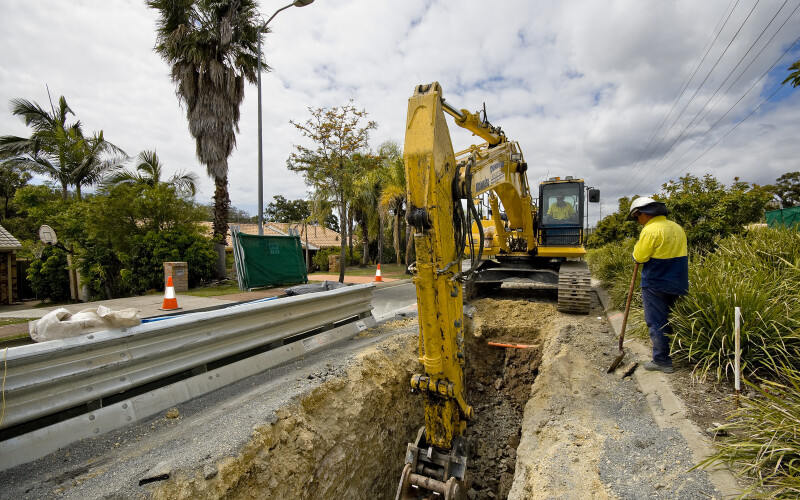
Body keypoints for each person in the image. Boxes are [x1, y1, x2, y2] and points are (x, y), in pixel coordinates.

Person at [628, 197, 688, 373]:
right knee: (671, 318)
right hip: (678, 280)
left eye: (637, 218)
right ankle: (676, 352)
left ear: (643, 214)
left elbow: (640, 257)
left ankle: (662, 360)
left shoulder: (650, 231)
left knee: (656, 322)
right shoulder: (677, 228)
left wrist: (635, 253)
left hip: (656, 282)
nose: (638, 222)